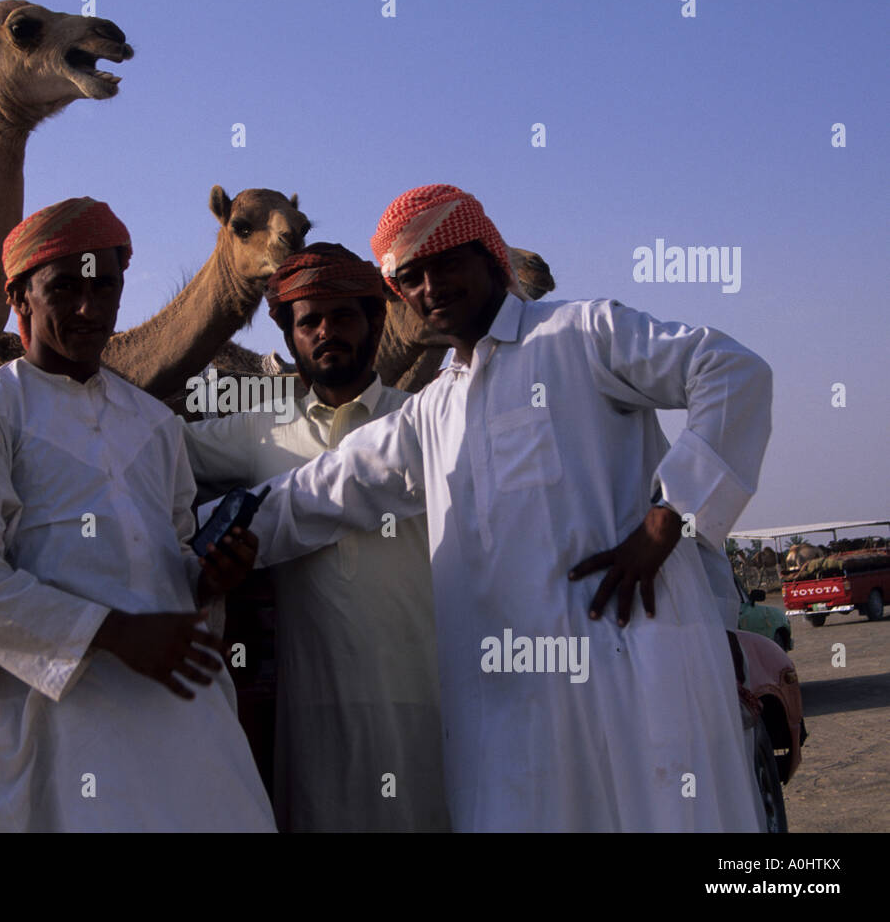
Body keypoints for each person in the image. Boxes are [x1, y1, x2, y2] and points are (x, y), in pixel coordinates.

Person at [244, 184, 771, 831]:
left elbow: (730, 370)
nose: (432, 286)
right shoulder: (434, 411)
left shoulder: (581, 334)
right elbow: (326, 487)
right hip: (511, 710)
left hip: (630, 669)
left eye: (446, 263)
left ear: (490, 257)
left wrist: (673, 515)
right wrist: (221, 537)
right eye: (411, 276)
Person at [0, 196, 275, 831]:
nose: (88, 308)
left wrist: (211, 576)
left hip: (180, 707)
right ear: (19, 298)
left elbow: (172, 557)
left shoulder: (154, 424)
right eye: (64, 287)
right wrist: (108, 632)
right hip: (59, 720)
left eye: (103, 285)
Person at [182, 243, 448, 831]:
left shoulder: (426, 421)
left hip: (423, 700)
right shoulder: (257, 431)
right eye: (310, 321)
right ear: (288, 334)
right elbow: (151, 453)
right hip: (312, 709)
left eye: (345, 316)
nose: (328, 331)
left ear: (377, 323)